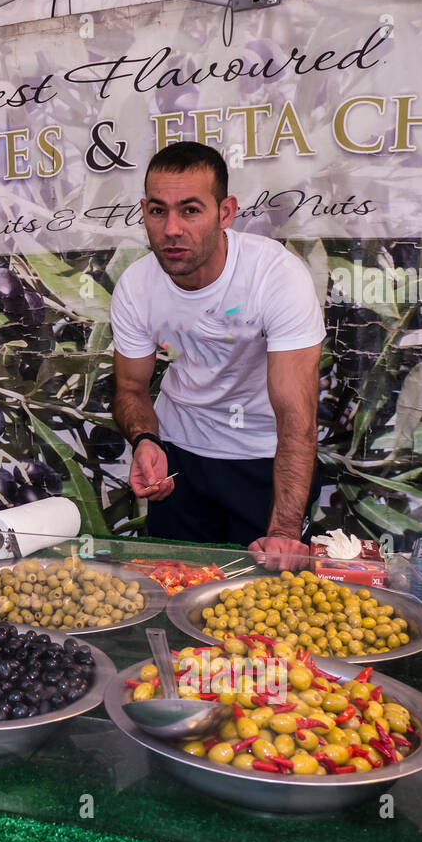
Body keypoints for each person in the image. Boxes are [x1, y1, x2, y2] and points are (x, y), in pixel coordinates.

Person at [109, 141, 324, 566]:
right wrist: (146, 440)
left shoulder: (275, 277)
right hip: (179, 456)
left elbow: (297, 417)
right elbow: (130, 388)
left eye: (190, 210)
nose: (171, 228)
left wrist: (282, 531)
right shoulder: (136, 285)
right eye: (157, 211)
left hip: (264, 459)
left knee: (262, 607)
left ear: (225, 212)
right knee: (173, 594)